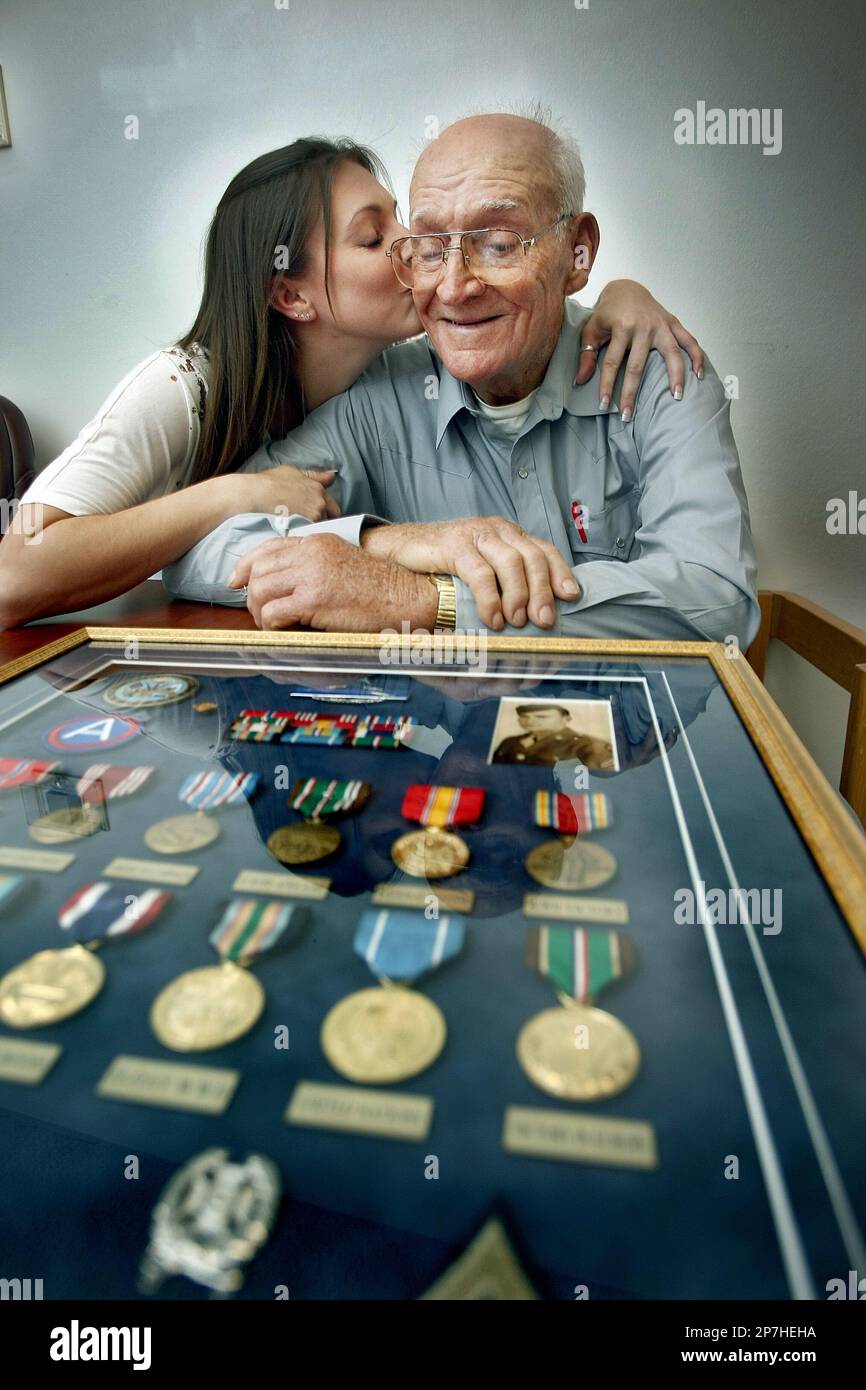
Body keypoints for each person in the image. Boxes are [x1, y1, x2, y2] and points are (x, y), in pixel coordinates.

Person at [0, 134, 699, 629]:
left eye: (404, 222)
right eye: (375, 237)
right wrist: (242, 496)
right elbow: (19, 576)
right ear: (292, 297)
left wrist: (619, 292)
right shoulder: (186, 387)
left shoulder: (384, 371)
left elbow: (708, 595)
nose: (415, 249)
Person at [163, 111, 759, 647]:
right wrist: (381, 544)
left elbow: (715, 600)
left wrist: (432, 601)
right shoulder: (378, 398)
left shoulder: (658, 372)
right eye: (428, 247)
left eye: (498, 244)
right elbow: (199, 550)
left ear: (576, 252)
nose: (454, 287)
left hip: (629, 759)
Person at [491, 704, 615, 768]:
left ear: (566, 718)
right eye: (524, 716)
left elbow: (601, 784)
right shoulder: (509, 742)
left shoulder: (588, 745)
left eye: (541, 716)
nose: (529, 721)